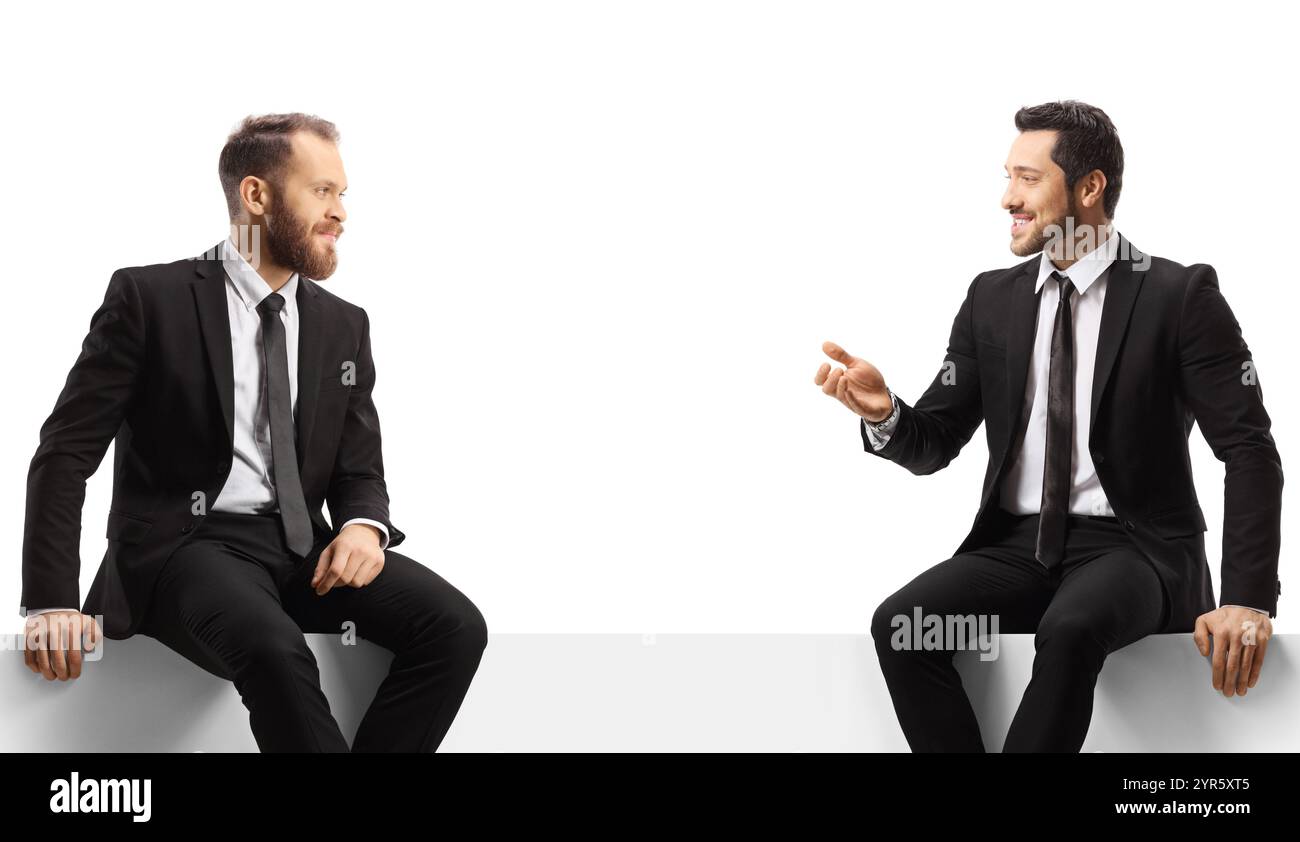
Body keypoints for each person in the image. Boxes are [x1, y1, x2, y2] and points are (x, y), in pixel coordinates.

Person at [814, 100, 1281, 752]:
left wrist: (1248, 599)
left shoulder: (1179, 296)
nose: (1008, 197)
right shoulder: (992, 298)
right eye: (1007, 176)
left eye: (1028, 178)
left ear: (1089, 188)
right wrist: (884, 412)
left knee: (1068, 630)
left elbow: (1249, 449)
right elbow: (936, 443)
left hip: (1135, 552)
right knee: (903, 627)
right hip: (1018, 551)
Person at [20, 112, 487, 752]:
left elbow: (359, 468)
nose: (341, 213)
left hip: (301, 552)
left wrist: (361, 525)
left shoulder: (343, 325)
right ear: (256, 195)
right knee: (273, 646)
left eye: (343, 194)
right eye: (321, 191)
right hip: (185, 551)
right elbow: (65, 453)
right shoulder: (149, 298)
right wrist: (49, 601)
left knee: (455, 626)